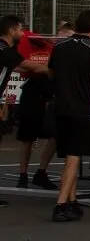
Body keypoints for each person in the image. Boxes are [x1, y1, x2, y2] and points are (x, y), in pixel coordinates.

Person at [45, 10, 90, 223]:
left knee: (70, 155)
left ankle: (71, 200)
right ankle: (60, 204)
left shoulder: (59, 46)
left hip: (61, 107)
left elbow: (51, 73)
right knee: (74, 157)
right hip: (82, 108)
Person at [1, 16, 51, 208]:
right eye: (20, 30)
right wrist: (54, 70)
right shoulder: (5, 51)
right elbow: (31, 66)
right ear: (12, 30)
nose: (23, 34)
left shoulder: (6, 51)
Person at [14, 21, 71, 191]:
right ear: (58, 33)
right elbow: (19, 64)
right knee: (27, 137)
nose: (65, 39)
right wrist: (39, 68)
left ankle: (41, 172)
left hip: (52, 95)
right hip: (33, 93)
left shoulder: (63, 50)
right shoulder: (42, 43)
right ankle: (22, 175)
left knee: (54, 135)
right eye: (63, 35)